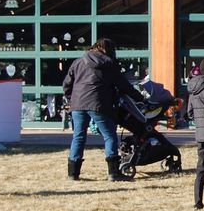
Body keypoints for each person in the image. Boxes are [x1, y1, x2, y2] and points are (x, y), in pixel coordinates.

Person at [63, 37, 146, 181]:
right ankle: (113, 173)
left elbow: (67, 84)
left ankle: (73, 174)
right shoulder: (108, 64)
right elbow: (124, 85)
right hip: (98, 103)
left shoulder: (78, 62)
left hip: (77, 104)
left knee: (78, 136)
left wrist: (71, 99)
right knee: (109, 135)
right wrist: (141, 98)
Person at [187, 59, 204, 209]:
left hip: (200, 135)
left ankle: (198, 201)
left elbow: (190, 113)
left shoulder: (192, 90)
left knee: (201, 170)